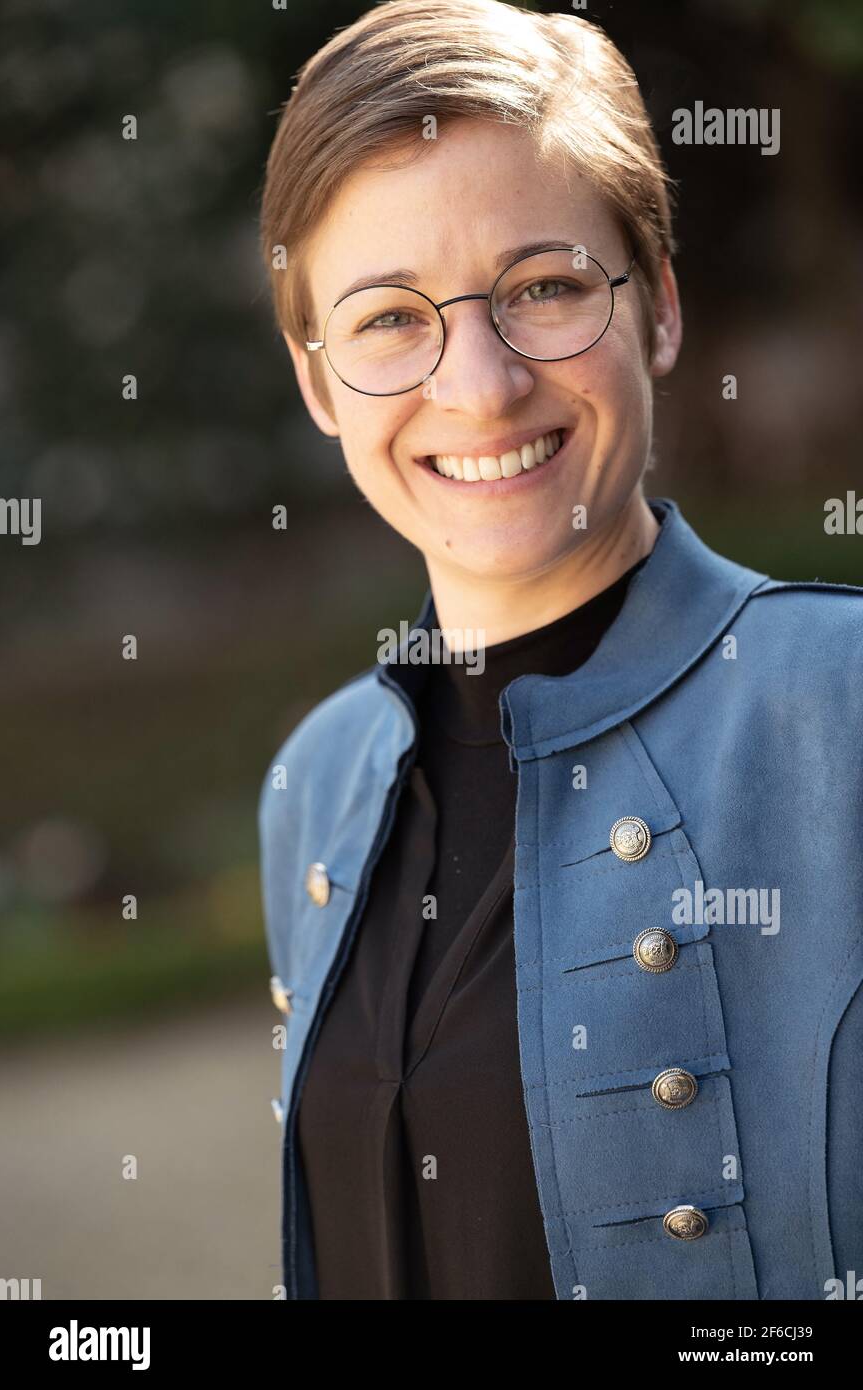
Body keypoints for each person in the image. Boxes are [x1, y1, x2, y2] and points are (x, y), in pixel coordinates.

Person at [257, 0, 863, 1300]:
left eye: (542, 287)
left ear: (658, 312)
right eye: (387, 319)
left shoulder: (843, 705)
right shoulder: (314, 784)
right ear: (317, 384)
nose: (477, 385)